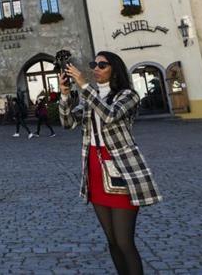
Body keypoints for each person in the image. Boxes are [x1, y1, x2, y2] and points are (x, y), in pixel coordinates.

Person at [59, 51, 161, 275]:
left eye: (102, 65)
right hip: (95, 168)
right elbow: (68, 123)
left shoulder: (128, 95)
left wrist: (84, 86)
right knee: (112, 241)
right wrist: (65, 96)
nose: (96, 68)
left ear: (114, 69)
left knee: (124, 241)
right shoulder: (91, 96)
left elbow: (110, 115)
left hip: (122, 168)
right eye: (94, 64)